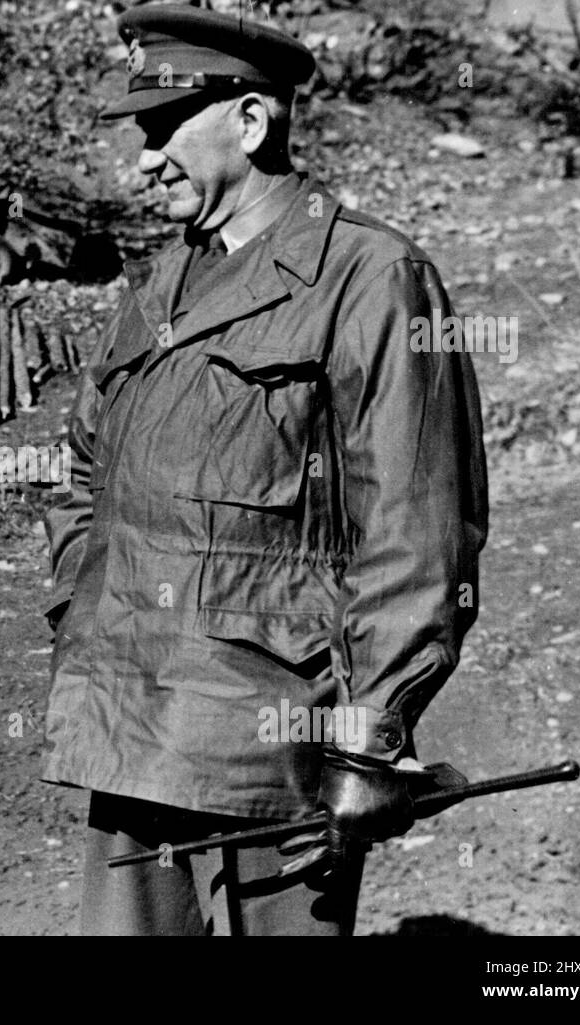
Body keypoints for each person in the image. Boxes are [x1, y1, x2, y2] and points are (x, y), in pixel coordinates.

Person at [41, 3, 489, 936]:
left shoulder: (372, 277)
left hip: (274, 748)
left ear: (251, 121)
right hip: (130, 724)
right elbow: (86, 469)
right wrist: (84, 603)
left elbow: (417, 520)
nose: (145, 156)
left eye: (164, 128)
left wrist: (372, 732)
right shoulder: (155, 285)